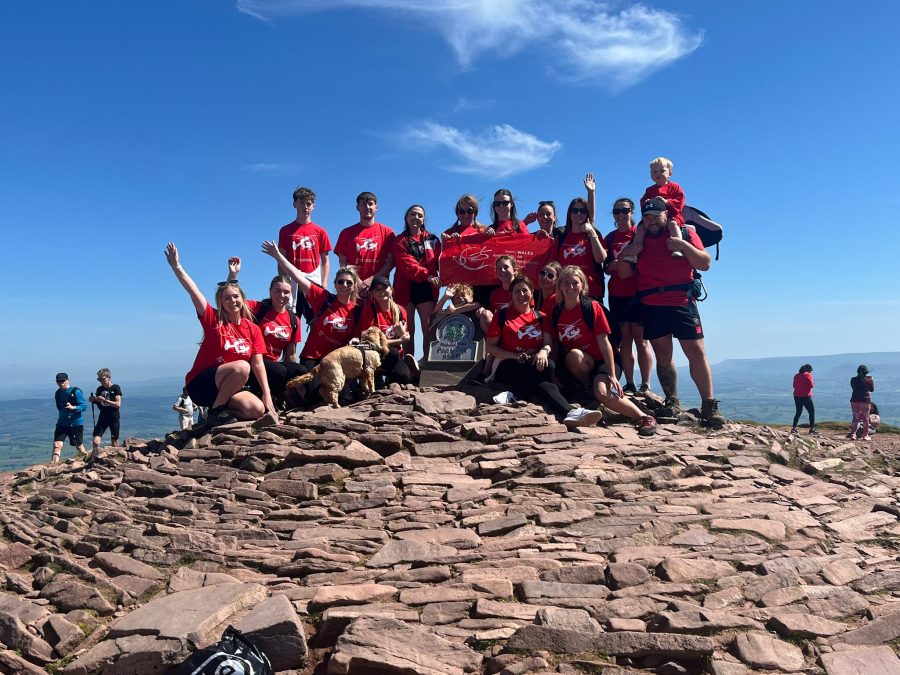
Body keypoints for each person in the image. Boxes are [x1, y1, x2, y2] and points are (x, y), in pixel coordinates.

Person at [617, 198, 725, 427]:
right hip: (652, 304)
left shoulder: (684, 232)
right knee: (663, 356)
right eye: (647, 217)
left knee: (696, 352)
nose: (652, 221)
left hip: (682, 301)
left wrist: (683, 246)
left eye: (656, 215)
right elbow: (624, 273)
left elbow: (705, 263)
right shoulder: (641, 238)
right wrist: (628, 250)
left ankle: (709, 405)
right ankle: (672, 401)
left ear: (666, 215)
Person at [165, 243, 274, 426]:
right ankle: (216, 413)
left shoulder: (253, 329)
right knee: (241, 367)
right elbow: (194, 292)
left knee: (256, 409)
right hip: (201, 385)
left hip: (227, 388)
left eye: (236, 297)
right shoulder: (213, 321)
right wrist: (177, 266)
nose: (232, 301)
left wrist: (267, 394)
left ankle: (220, 410)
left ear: (243, 299)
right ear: (220, 303)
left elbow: (258, 363)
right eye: (227, 298)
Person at [547, 267, 657, 436]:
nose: (570, 287)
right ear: (559, 285)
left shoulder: (591, 307)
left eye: (575, 283)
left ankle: (644, 417)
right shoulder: (556, 311)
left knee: (603, 393)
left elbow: (605, 343)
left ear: (582, 285)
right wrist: (553, 374)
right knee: (574, 356)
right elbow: (555, 345)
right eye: (566, 283)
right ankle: (588, 389)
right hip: (579, 363)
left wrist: (612, 375)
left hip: (603, 361)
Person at [485, 275, 599, 428]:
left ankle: (568, 413)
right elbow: (490, 347)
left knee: (543, 380)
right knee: (548, 368)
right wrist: (514, 355)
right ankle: (572, 411)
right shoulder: (502, 315)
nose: (521, 295)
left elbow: (548, 343)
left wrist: (544, 351)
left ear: (532, 293)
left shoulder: (540, 317)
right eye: (517, 291)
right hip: (507, 364)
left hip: (534, 364)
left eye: (525, 291)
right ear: (511, 294)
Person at [261, 241, 362, 405]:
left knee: (344, 399)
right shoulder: (324, 298)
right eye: (340, 282)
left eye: (349, 282)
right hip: (312, 358)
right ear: (335, 284)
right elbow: (298, 277)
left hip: (336, 361)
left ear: (354, 286)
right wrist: (279, 256)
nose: (344, 285)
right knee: (314, 398)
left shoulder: (357, 311)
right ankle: (292, 394)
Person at [225, 256, 305, 407]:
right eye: (277, 291)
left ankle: (286, 400)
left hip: (273, 365)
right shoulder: (258, 309)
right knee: (279, 371)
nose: (282, 296)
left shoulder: (294, 320)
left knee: (300, 370)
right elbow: (232, 299)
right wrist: (233, 275)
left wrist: (292, 376)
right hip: (252, 361)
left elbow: (291, 353)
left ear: (291, 294)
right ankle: (267, 397)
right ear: (270, 291)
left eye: (286, 292)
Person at [603, 197, 653, 395]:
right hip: (617, 294)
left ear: (632, 212)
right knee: (625, 339)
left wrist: (620, 263)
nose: (621, 215)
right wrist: (623, 262)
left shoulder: (640, 234)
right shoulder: (610, 238)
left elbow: (645, 262)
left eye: (625, 210)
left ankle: (646, 384)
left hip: (640, 293)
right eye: (617, 211)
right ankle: (630, 383)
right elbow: (607, 267)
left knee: (641, 339)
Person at [392, 204, 441, 359]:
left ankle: (427, 363)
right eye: (413, 214)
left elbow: (443, 261)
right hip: (405, 288)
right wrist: (427, 274)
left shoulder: (433, 240)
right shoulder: (400, 241)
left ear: (423, 219)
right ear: (406, 218)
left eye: (420, 215)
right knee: (407, 329)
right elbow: (406, 264)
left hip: (426, 288)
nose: (416, 218)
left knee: (428, 327)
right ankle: (408, 364)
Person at [277, 186, 332, 319]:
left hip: (313, 280)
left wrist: (324, 284)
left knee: (317, 319)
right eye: (302, 203)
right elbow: (281, 259)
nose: (305, 207)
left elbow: (325, 260)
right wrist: (284, 281)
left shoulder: (320, 231)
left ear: (313, 206)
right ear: (295, 204)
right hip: (293, 281)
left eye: (308, 203)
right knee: (291, 319)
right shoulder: (286, 231)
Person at [620, 156, 686, 262]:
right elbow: (643, 202)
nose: (658, 174)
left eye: (662, 171)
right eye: (654, 171)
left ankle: (677, 247)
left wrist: (666, 202)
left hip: (670, 216)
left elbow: (680, 200)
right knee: (640, 229)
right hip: (651, 216)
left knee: (673, 225)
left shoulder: (674, 187)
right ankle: (634, 253)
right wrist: (646, 203)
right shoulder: (649, 190)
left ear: (670, 173)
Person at [552, 174, 607, 300]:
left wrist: (591, 192)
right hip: (567, 293)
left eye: (582, 211)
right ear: (569, 214)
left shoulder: (592, 234)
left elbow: (600, 259)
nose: (578, 214)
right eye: (575, 211)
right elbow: (555, 266)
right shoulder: (561, 238)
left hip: (592, 291)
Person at [334, 191, 395, 298]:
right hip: (354, 289)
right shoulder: (346, 233)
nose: (367, 207)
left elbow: (391, 262)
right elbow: (343, 261)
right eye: (363, 204)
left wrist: (372, 280)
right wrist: (356, 281)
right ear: (357, 207)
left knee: (379, 315)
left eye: (370, 204)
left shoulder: (387, 232)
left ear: (376, 207)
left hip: (379, 288)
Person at [356, 275, 414, 384]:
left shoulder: (400, 310)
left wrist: (404, 335)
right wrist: (399, 341)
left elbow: (404, 336)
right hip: (374, 353)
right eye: (377, 289)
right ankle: (375, 374)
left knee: (404, 377)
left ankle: (389, 378)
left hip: (394, 356)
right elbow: (370, 343)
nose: (381, 291)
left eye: (384, 288)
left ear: (391, 290)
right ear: (372, 293)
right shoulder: (369, 311)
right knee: (392, 352)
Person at [51, 372, 88, 464]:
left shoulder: (76, 391)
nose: (61, 383)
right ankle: (53, 465)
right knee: (57, 444)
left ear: (68, 380)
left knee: (79, 446)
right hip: (62, 423)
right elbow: (59, 407)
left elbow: (84, 406)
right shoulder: (58, 393)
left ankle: (87, 462)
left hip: (75, 423)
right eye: (59, 382)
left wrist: (74, 408)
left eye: (63, 381)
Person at [89, 368, 122, 458]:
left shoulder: (115, 388)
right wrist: (94, 400)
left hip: (113, 416)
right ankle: (94, 458)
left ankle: (117, 459)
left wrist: (104, 400)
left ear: (108, 377)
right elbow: (100, 403)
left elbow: (118, 404)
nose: (101, 381)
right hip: (103, 416)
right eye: (99, 379)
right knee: (95, 441)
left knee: (114, 442)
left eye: (102, 379)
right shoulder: (99, 389)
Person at [849, 364, 875, 440]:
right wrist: (871, 380)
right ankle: (865, 435)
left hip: (854, 400)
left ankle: (853, 434)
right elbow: (872, 390)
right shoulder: (869, 380)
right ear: (866, 372)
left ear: (857, 371)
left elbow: (854, 387)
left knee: (855, 418)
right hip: (865, 401)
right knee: (865, 418)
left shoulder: (853, 380)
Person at [790, 363, 817, 435]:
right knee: (811, 411)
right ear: (808, 370)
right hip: (805, 396)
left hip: (796, 396)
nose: (811, 372)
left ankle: (794, 428)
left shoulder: (796, 375)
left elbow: (794, 386)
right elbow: (811, 385)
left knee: (798, 412)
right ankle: (812, 429)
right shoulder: (808, 375)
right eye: (810, 370)